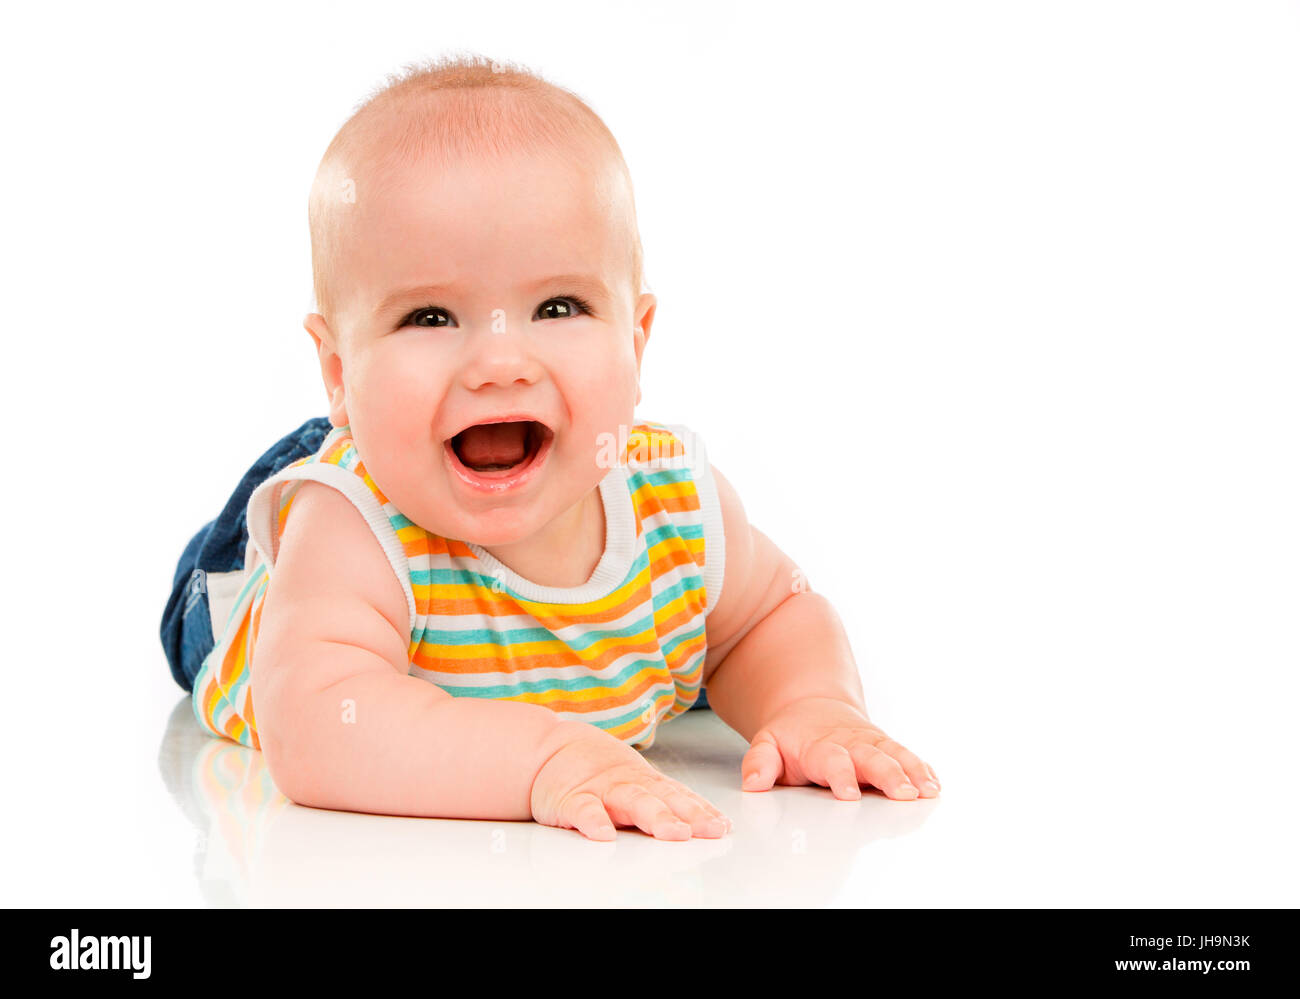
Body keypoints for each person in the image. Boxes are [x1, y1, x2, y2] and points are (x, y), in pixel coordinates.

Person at [160, 53, 940, 841]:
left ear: (636, 341)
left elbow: (771, 616)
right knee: (252, 587)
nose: (499, 362)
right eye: (429, 318)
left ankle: (630, 667)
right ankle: (268, 535)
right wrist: (544, 759)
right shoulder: (356, 525)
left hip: (587, 635)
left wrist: (810, 703)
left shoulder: (670, 498)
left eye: (559, 305)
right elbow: (320, 729)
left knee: (700, 635)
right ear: (337, 370)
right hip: (252, 607)